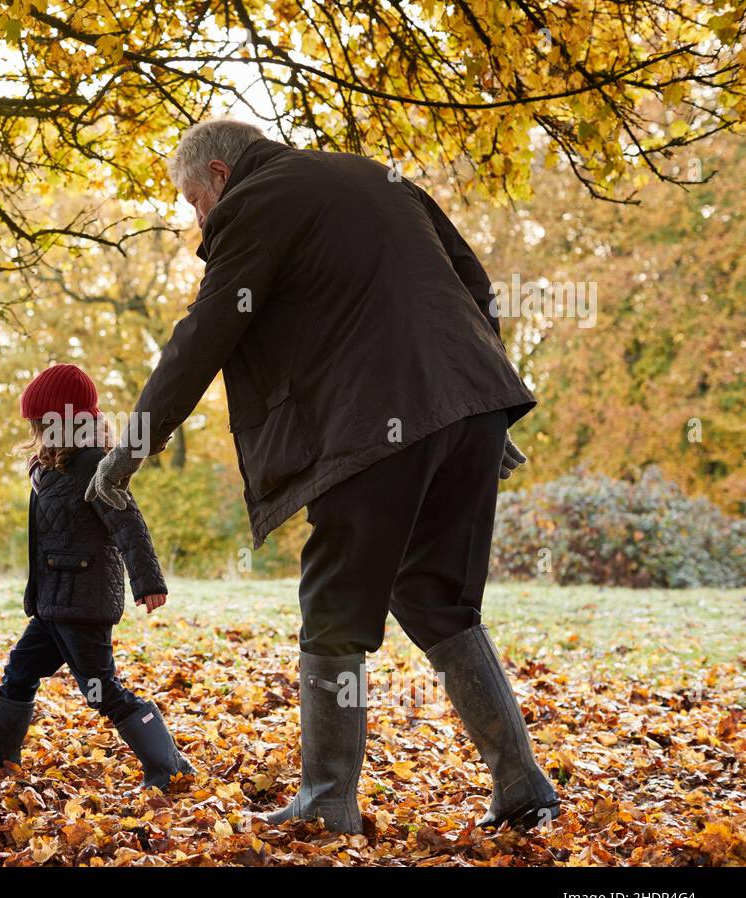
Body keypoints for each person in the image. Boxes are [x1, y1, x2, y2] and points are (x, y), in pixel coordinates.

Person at [85, 118, 560, 833]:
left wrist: (129, 450)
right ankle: (522, 785)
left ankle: (328, 799)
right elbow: (475, 283)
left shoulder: (254, 202)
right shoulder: (375, 175)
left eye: (192, 202)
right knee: (439, 600)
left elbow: (205, 335)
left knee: (334, 611)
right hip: (473, 404)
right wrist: (472, 405)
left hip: (374, 420)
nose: (197, 221)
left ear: (218, 175)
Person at [0, 363, 194, 791]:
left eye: (42, 424)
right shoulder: (53, 469)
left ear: (65, 423)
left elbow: (127, 522)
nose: (36, 432)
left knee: (103, 691)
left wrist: (148, 581)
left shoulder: (95, 465)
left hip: (83, 602)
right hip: (52, 604)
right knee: (19, 671)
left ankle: (169, 767)